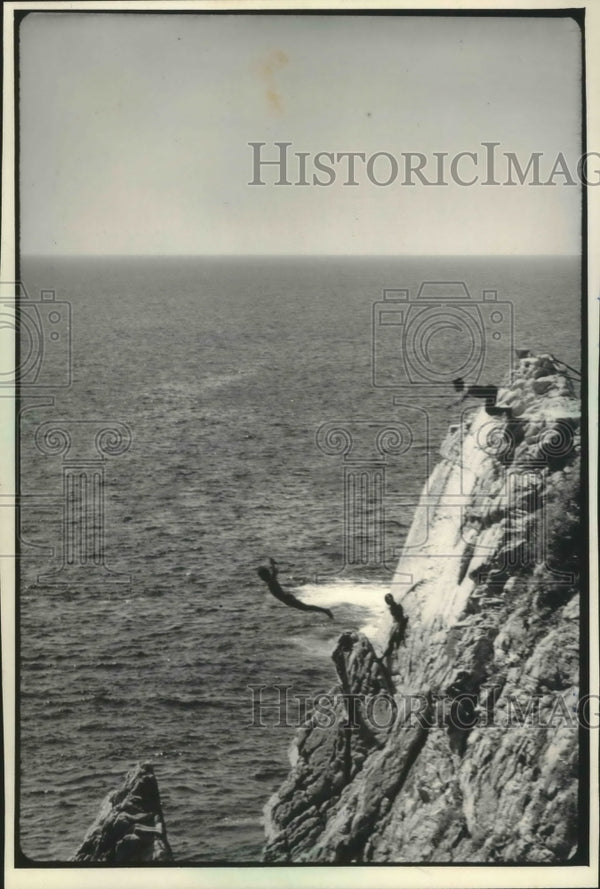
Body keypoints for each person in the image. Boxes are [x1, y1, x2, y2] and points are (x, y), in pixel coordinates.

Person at [257, 558, 333, 619]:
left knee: (306, 607)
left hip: (288, 599)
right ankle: (324, 611)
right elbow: (275, 572)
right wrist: (272, 564)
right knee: (305, 608)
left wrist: (272, 565)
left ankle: (325, 610)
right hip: (287, 599)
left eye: (261, 577)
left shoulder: (271, 581)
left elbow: (275, 573)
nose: (261, 578)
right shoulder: (271, 579)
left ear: (265, 576)